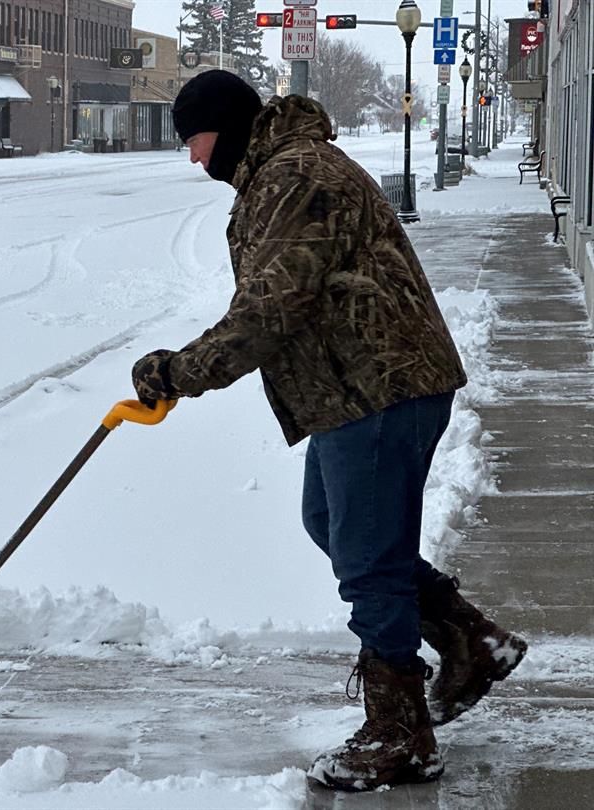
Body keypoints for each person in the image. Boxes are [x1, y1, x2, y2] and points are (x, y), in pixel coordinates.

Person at [130, 70, 528, 792]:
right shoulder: (281, 170)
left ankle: (401, 733)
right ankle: (471, 638)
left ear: (225, 125)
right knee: (334, 527)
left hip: (378, 384)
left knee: (368, 560)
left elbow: (271, 309)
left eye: (195, 141)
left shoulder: (296, 175)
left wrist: (179, 372)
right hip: (359, 388)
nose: (193, 159)